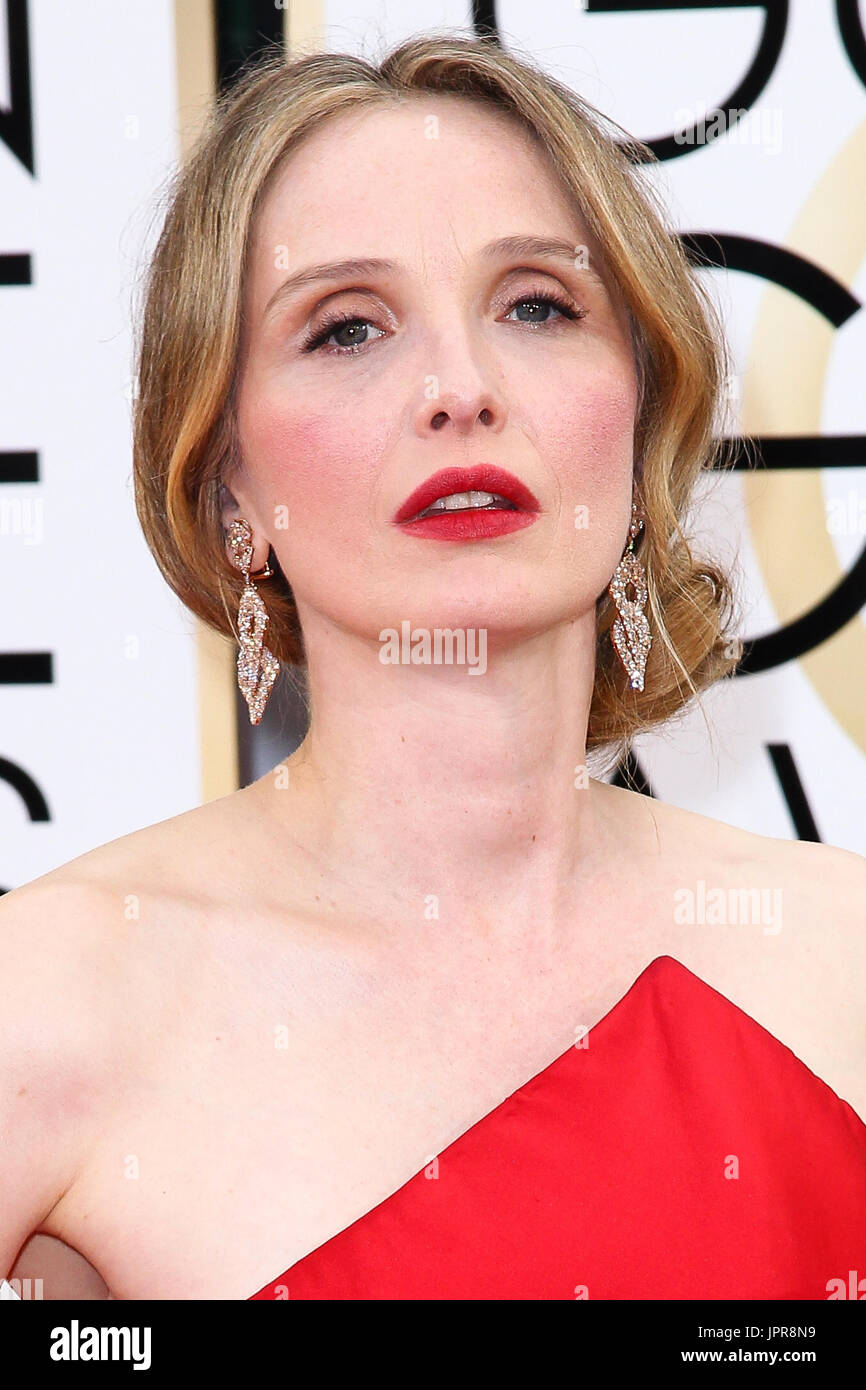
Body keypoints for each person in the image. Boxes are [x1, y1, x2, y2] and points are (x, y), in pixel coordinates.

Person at [1, 34, 864, 1302]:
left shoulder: (835, 954)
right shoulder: (57, 996)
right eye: (346, 329)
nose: (460, 390)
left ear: (635, 420)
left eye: (535, 306)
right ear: (228, 475)